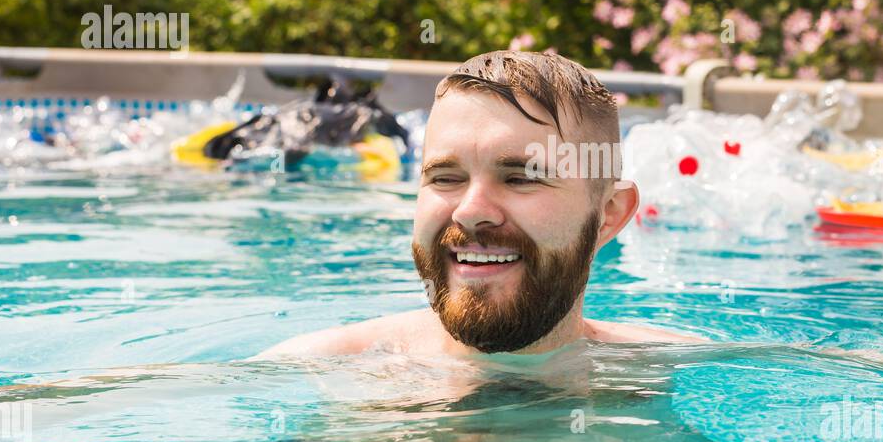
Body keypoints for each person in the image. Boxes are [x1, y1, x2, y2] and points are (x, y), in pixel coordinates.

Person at [259, 49, 703, 359]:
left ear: (608, 214)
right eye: (446, 178)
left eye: (520, 178)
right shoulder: (323, 372)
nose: (470, 211)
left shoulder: (674, 370)